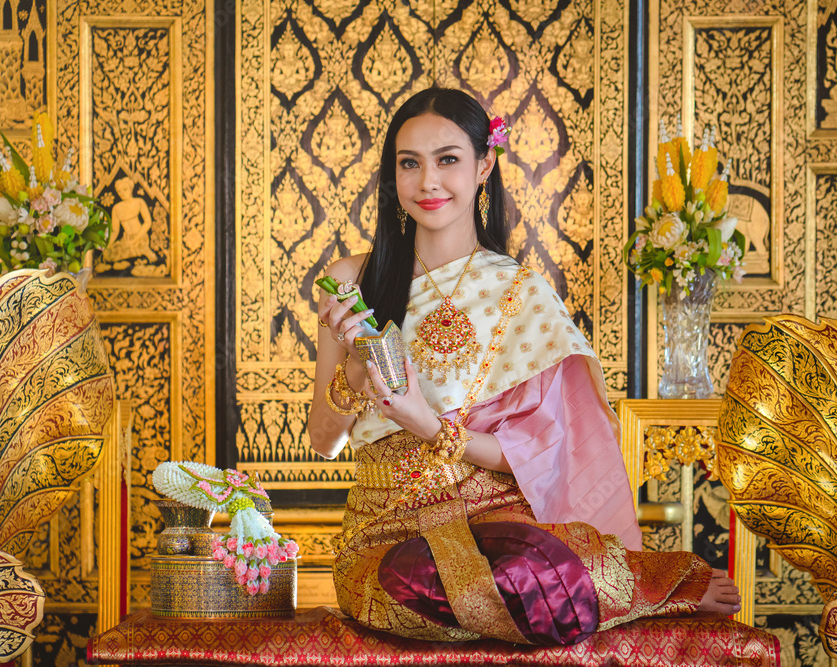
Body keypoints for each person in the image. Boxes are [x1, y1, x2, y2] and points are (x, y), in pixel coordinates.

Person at [307, 87, 741, 645]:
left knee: (532, 573)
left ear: (484, 164)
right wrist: (357, 372)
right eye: (409, 163)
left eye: (448, 160)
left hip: (499, 521)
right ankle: (639, 591)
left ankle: (651, 586)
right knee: (413, 588)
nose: (428, 182)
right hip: (387, 531)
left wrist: (425, 422)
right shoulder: (350, 281)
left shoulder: (521, 293)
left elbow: (532, 455)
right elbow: (323, 440)